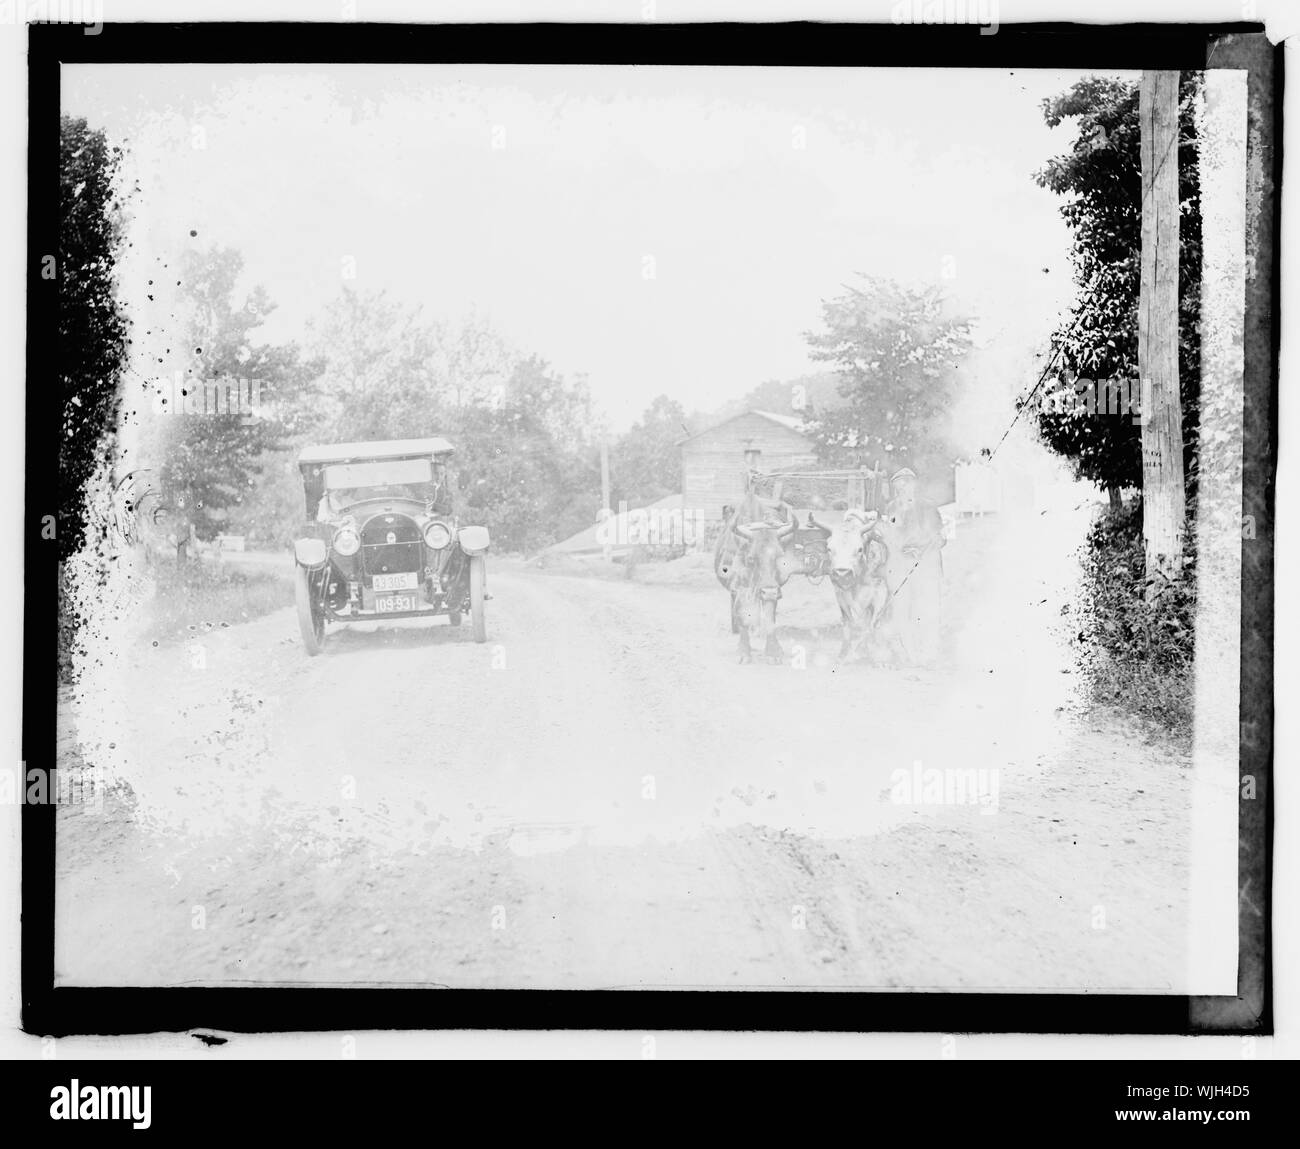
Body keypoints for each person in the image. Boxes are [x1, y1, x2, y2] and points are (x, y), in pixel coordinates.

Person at [882, 467, 945, 666]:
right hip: (901, 568)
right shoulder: (892, 508)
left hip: (927, 569)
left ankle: (930, 654)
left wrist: (930, 544)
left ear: (914, 485)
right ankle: (910, 655)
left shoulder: (928, 507)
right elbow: (890, 535)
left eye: (906, 484)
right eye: (898, 486)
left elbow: (941, 537)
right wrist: (901, 548)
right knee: (902, 611)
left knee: (927, 612)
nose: (903, 489)